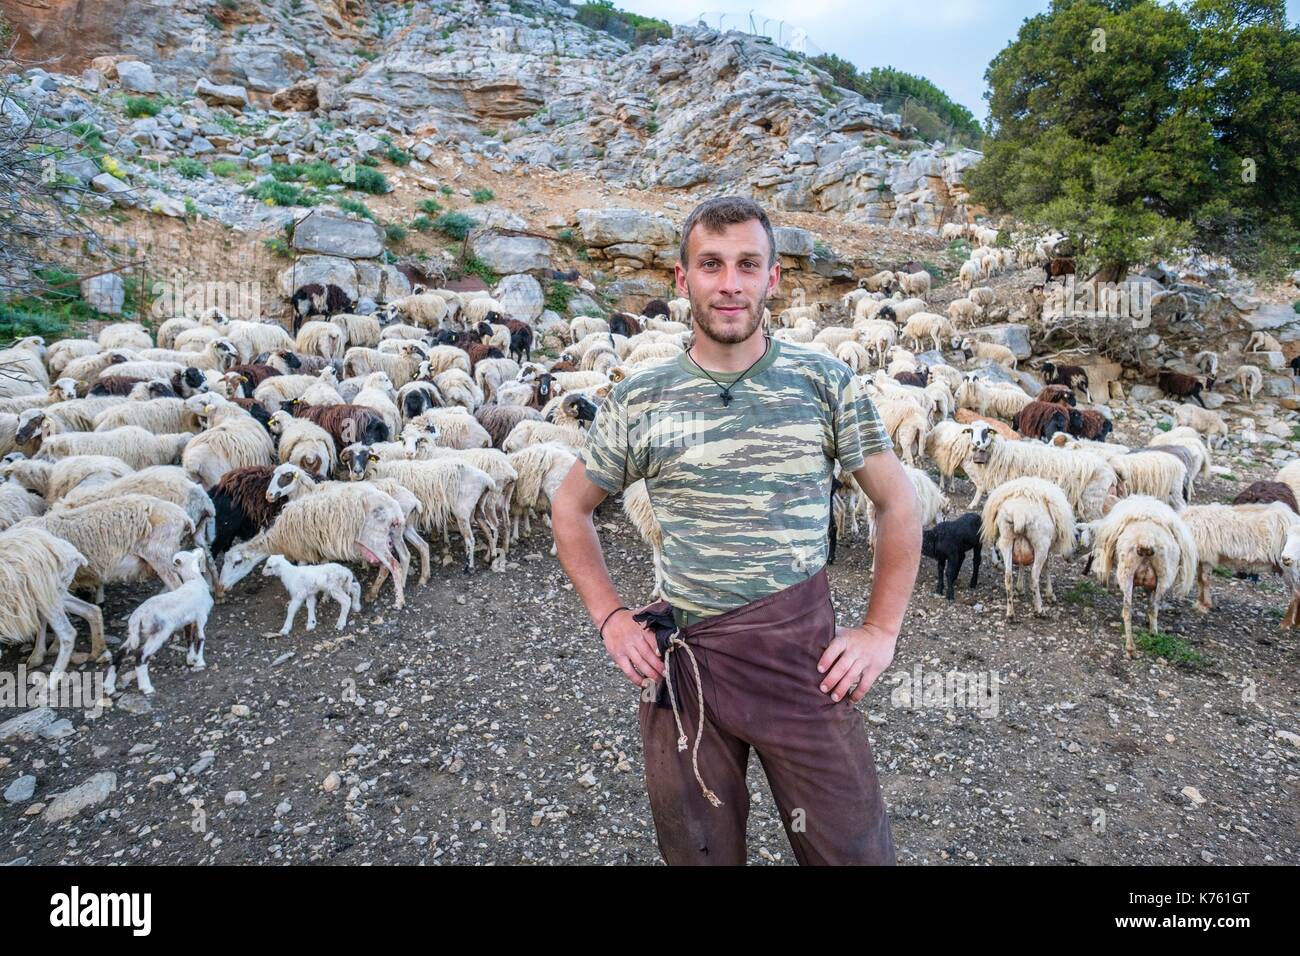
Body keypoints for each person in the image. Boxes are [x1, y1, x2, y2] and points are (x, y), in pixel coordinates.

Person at [551, 196, 921, 865]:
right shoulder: (641, 398)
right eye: (712, 264)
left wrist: (879, 632)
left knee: (853, 851)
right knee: (699, 852)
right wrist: (610, 617)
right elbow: (571, 508)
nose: (730, 283)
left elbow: (898, 504)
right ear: (681, 278)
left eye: (748, 264)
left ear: (772, 278)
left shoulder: (823, 383)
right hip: (688, 663)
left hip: (800, 662)